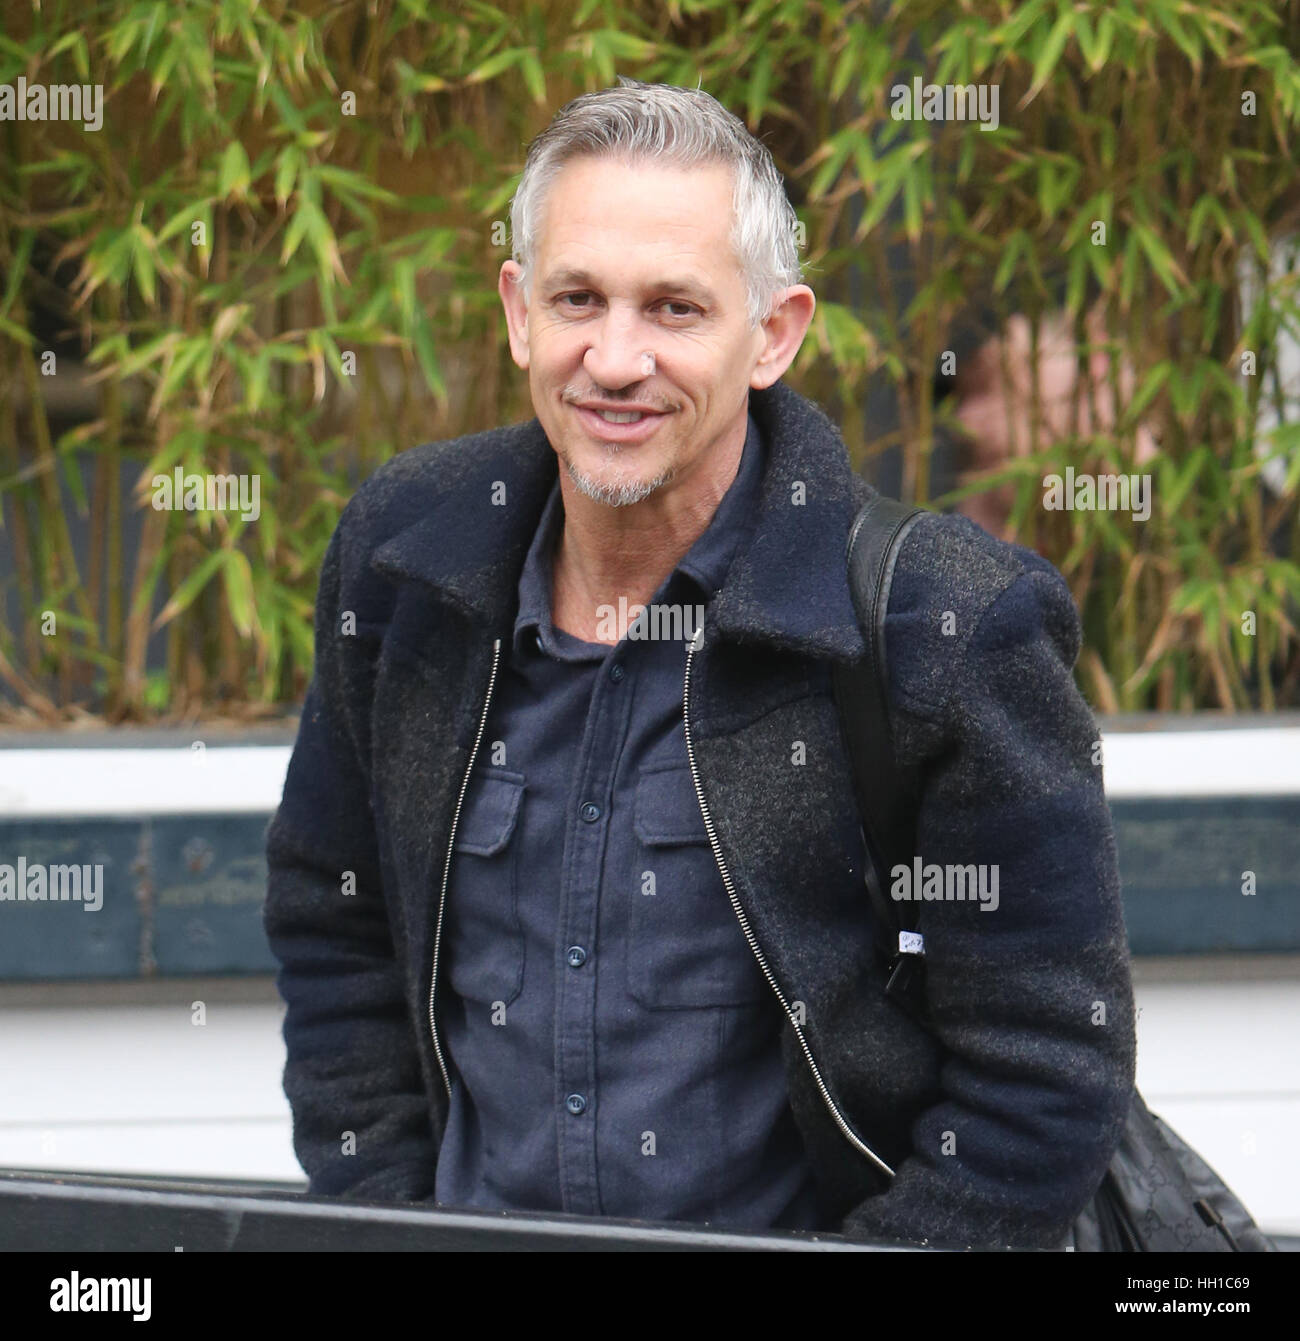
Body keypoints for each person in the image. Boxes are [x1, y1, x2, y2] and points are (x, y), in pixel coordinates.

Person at [263, 77, 1136, 1249]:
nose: (614, 360)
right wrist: (387, 1224)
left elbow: (1042, 1071)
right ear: (520, 313)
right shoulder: (405, 560)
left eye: (674, 309)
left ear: (773, 334)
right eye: (579, 298)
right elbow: (335, 915)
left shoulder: (942, 624)